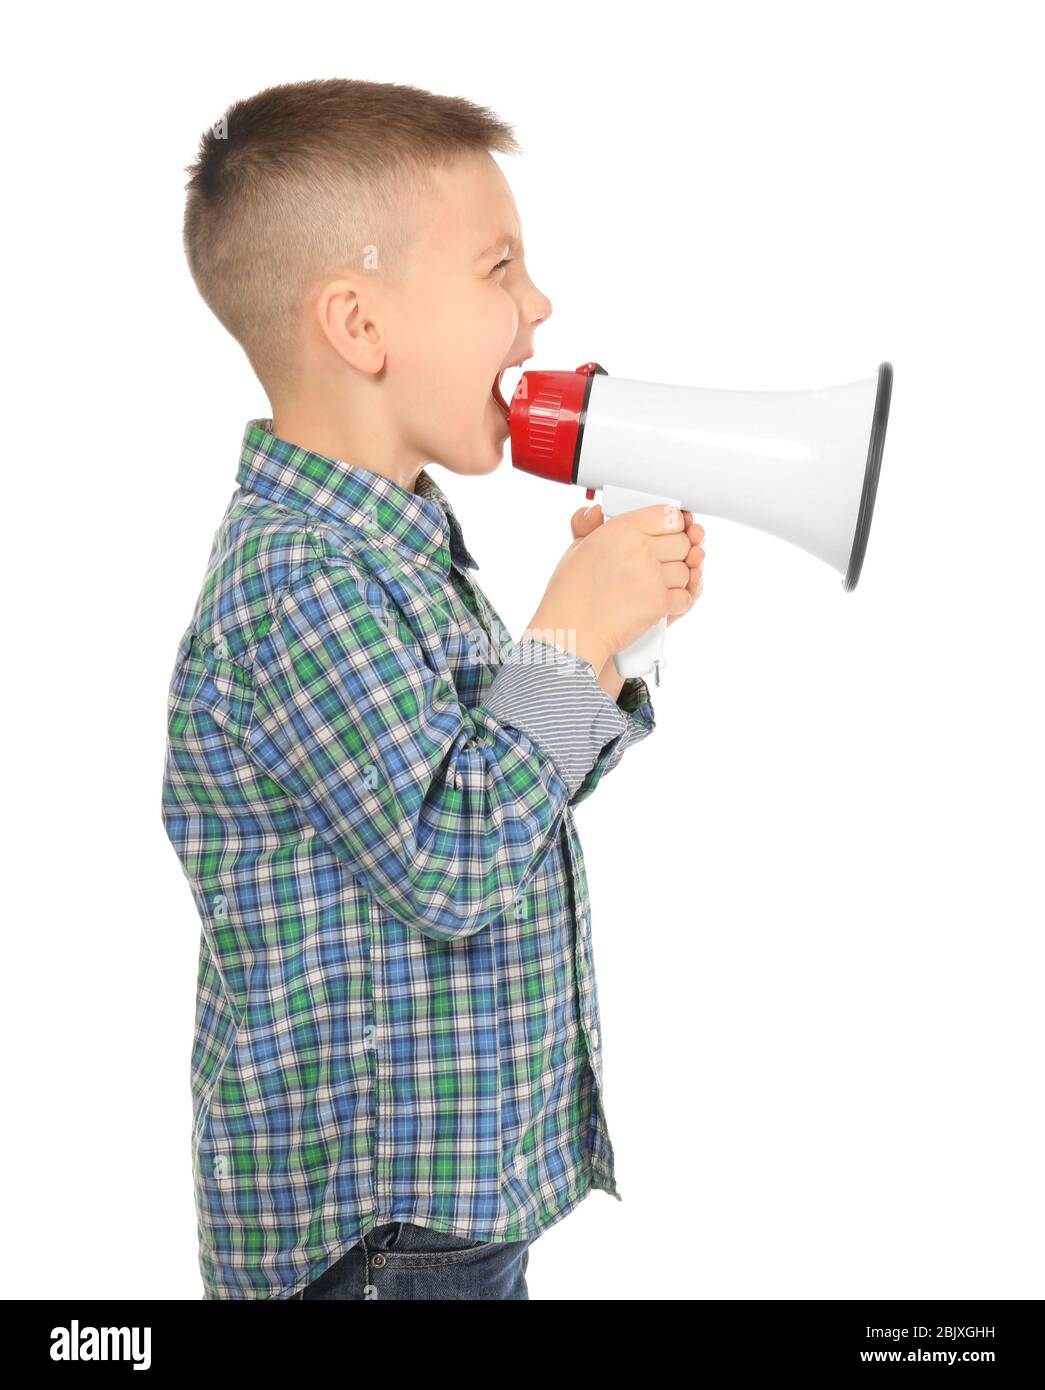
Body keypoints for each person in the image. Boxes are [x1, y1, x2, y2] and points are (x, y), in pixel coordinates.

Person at [162, 77, 704, 1301]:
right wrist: (566, 633)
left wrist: (611, 648)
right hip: (374, 1238)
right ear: (359, 325)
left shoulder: (393, 548)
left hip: (440, 1212)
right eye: (499, 268)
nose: (538, 305)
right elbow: (453, 858)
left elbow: (502, 797)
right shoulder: (300, 583)